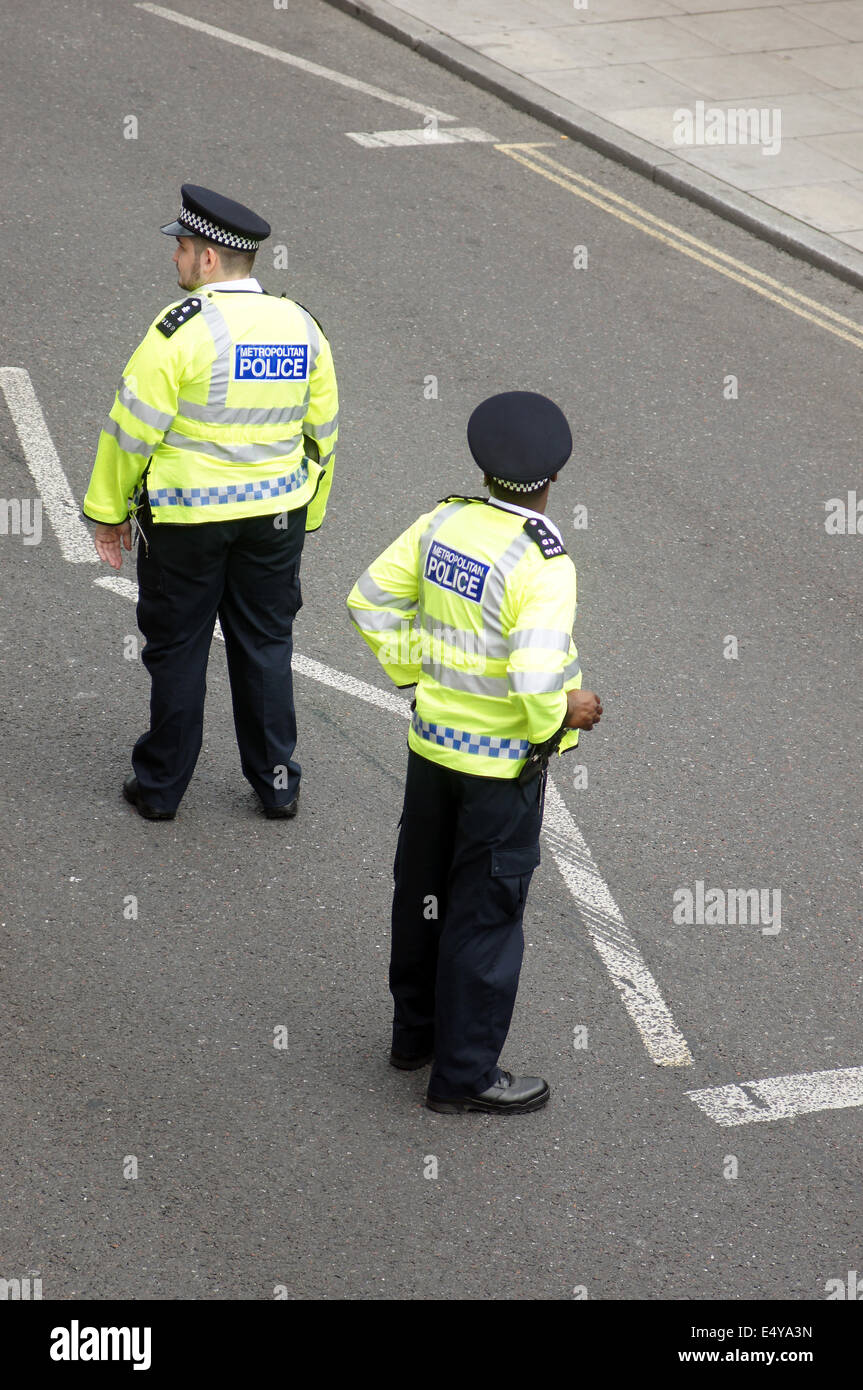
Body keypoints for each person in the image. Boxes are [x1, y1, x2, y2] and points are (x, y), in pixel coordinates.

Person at [347, 392, 602, 1114]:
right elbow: (532, 675)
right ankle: (463, 1077)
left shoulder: (443, 522)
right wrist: (563, 716)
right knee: (483, 920)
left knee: (421, 895)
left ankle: (412, 1038)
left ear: (484, 467)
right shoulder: (545, 563)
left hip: (432, 751)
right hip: (500, 771)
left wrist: (416, 671)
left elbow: (366, 600)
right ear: (554, 476)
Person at [82, 184, 339, 821]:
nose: (174, 258)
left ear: (208, 261)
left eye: (183, 247)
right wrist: (312, 510)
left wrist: (107, 512)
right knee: (265, 644)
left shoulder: (180, 331)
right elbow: (322, 432)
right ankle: (278, 784)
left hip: (189, 521)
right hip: (276, 518)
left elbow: (130, 429)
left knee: (179, 648)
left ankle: (162, 788)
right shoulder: (301, 324)